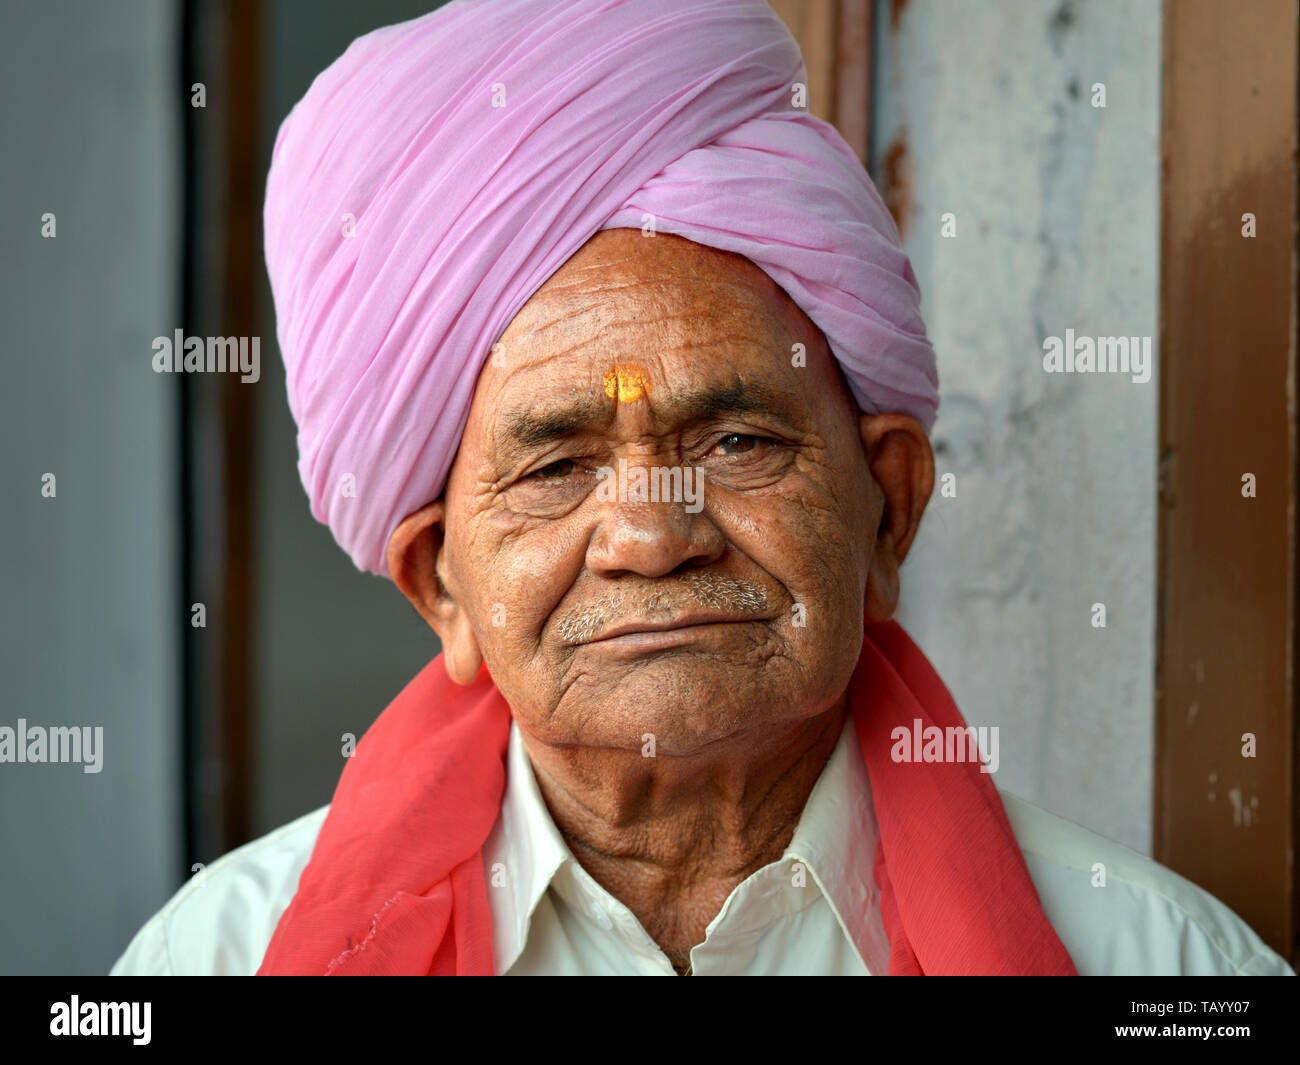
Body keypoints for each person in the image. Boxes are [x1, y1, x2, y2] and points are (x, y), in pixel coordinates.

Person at [113, 0, 1292, 976]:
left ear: (887, 507)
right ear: (441, 591)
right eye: (558, 466)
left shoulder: (1160, 967)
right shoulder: (217, 958)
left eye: (735, 442)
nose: (648, 533)